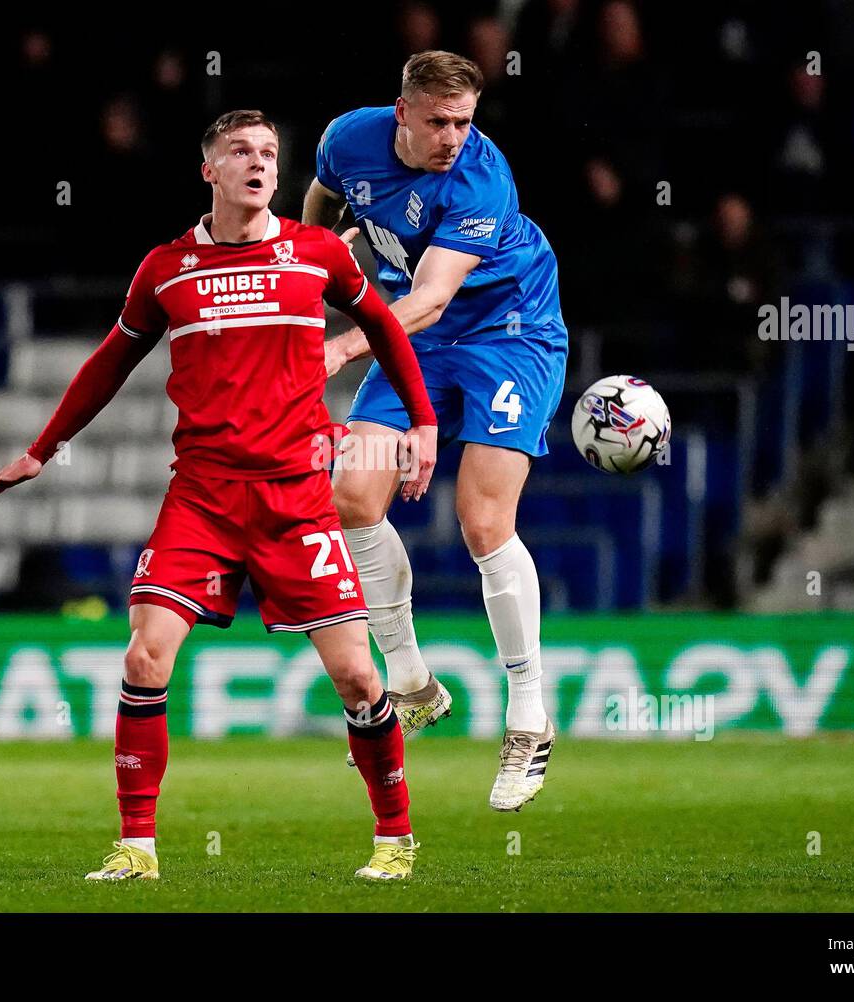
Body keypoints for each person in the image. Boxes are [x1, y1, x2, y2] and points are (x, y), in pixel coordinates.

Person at [0, 110, 439, 881]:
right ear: (209, 171)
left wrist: (420, 422)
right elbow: (108, 363)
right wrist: (40, 449)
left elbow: (386, 328)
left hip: (296, 498)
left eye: (269, 154)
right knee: (145, 656)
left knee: (359, 678)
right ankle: (136, 847)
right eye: (240, 153)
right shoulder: (165, 269)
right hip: (204, 499)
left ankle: (395, 839)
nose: (259, 165)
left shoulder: (317, 252)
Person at [302, 51, 566, 811]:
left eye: (465, 122)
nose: (454, 136)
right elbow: (320, 205)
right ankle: (413, 683)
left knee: (482, 519)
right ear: (402, 113)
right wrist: (308, 263)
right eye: (440, 122)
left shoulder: (482, 176)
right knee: (350, 497)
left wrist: (344, 343)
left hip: (506, 332)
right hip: (411, 336)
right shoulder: (348, 138)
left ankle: (529, 718)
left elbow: (433, 297)